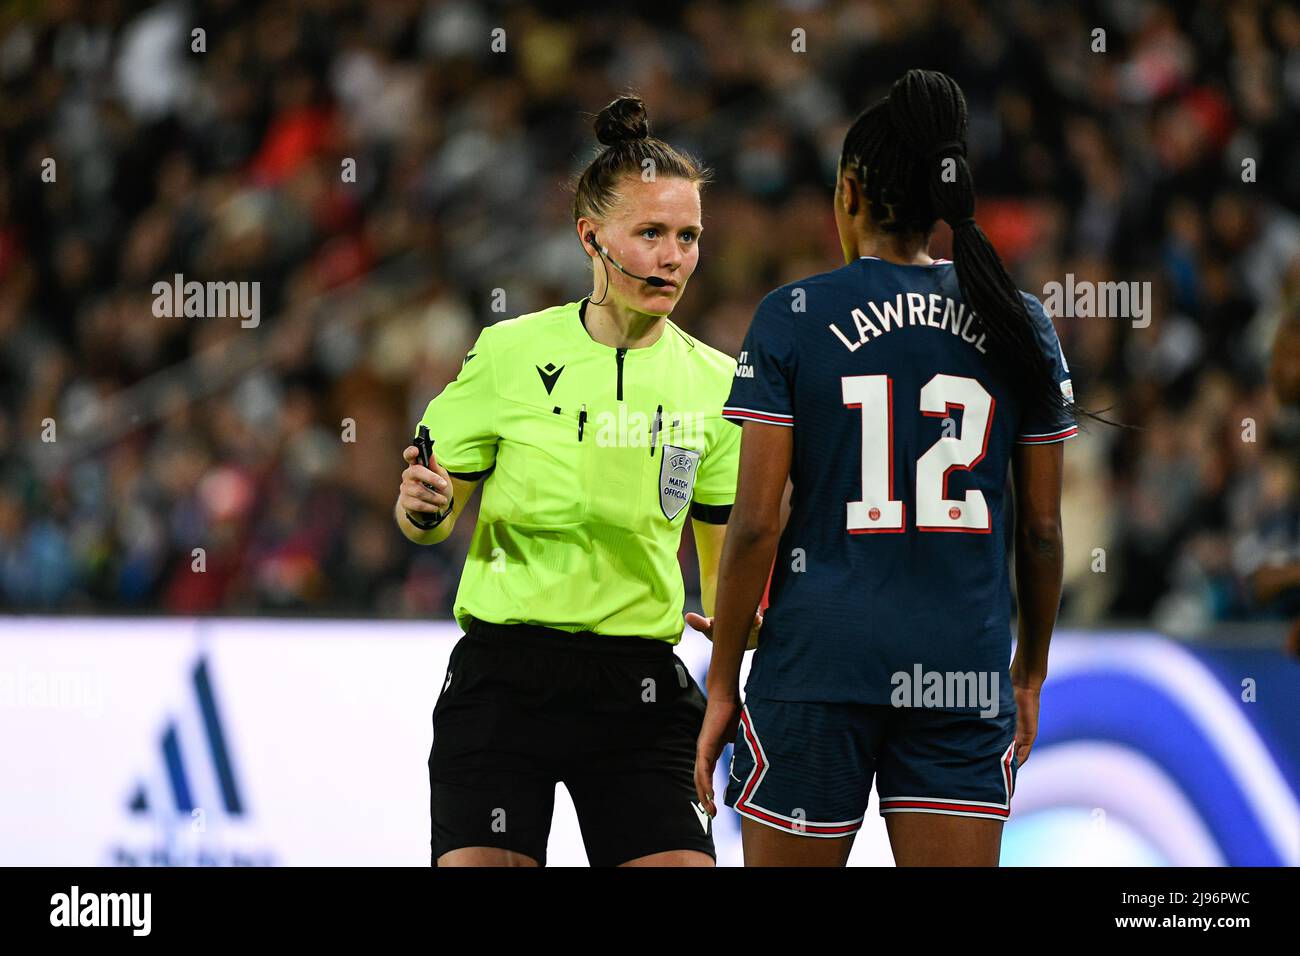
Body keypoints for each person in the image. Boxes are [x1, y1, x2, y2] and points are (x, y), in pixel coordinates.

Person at [692, 69, 1083, 866]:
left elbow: (758, 521)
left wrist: (725, 677)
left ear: (850, 193)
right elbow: (1041, 532)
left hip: (816, 665)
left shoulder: (792, 316)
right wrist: (1030, 673)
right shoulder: (1021, 323)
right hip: (962, 673)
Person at [396, 95, 753, 867]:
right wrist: (422, 509)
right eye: (651, 233)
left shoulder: (720, 386)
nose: (673, 257)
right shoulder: (508, 353)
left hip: (641, 691)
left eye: (688, 236)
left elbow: (727, 577)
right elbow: (430, 510)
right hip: (505, 681)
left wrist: (744, 628)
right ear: (591, 237)